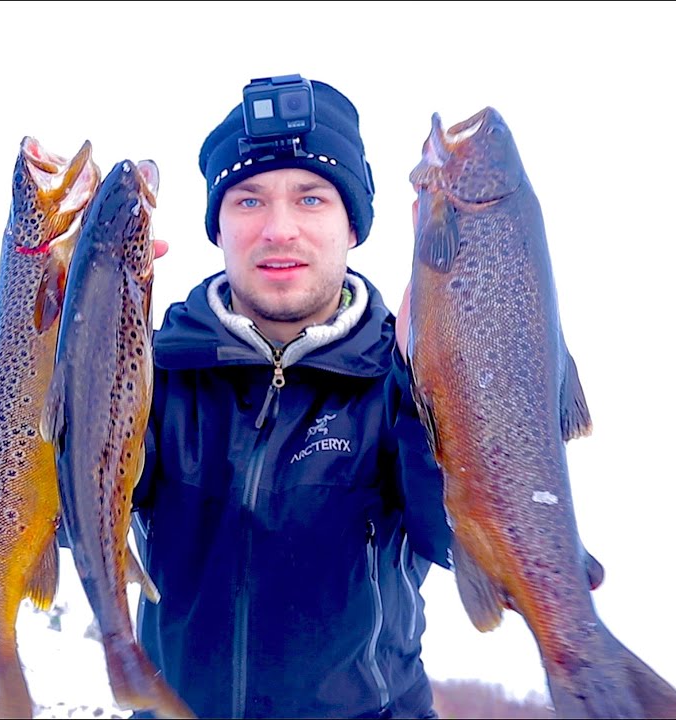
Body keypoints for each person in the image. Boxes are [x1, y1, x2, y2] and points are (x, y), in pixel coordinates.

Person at [130, 76, 453, 719]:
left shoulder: (401, 375)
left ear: (353, 224)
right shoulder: (148, 366)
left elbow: (462, 544)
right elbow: (55, 517)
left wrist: (445, 380)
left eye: (310, 198)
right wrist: (63, 329)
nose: (279, 230)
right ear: (217, 226)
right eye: (248, 201)